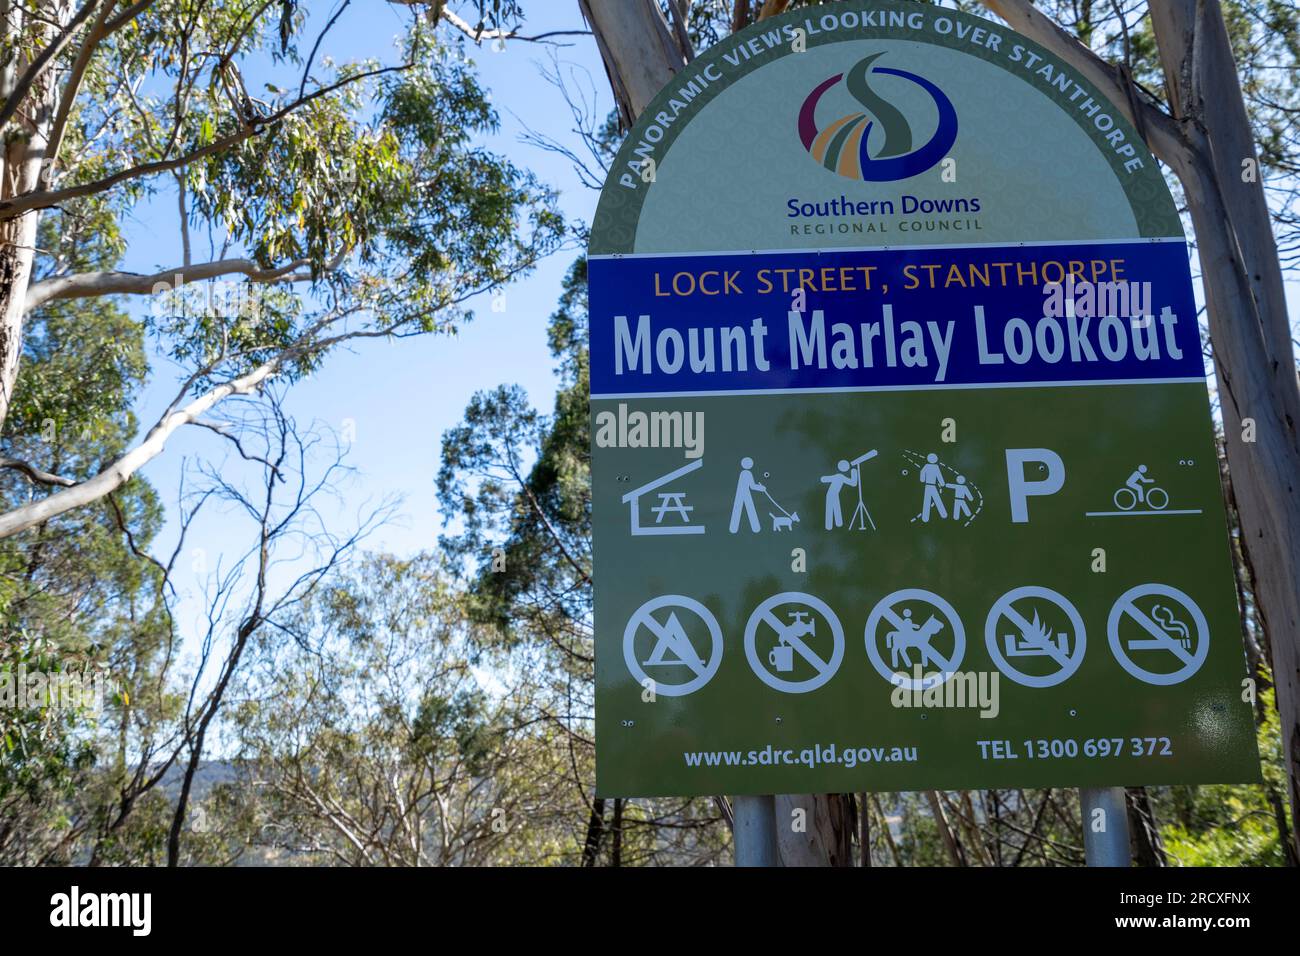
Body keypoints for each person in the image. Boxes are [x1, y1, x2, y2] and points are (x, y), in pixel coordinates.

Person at [729, 456, 766, 533]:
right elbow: (752, 486)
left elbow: (751, 486)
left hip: (743, 493)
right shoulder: (746, 473)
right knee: (747, 510)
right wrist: (761, 488)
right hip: (742, 493)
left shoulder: (744, 473)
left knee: (742, 510)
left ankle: (734, 529)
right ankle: (755, 528)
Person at [820, 459, 859, 530]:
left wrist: (854, 472)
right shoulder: (839, 476)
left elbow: (853, 483)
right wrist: (854, 472)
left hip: (835, 494)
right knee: (830, 508)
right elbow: (823, 479)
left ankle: (837, 524)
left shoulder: (841, 477)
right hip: (831, 494)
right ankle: (829, 526)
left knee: (836, 508)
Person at [919, 452, 948, 522]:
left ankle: (925, 517)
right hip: (932, 485)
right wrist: (942, 483)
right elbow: (939, 476)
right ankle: (943, 514)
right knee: (936, 499)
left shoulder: (926, 466)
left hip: (928, 486)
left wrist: (922, 480)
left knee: (927, 500)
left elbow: (922, 473)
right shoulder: (935, 467)